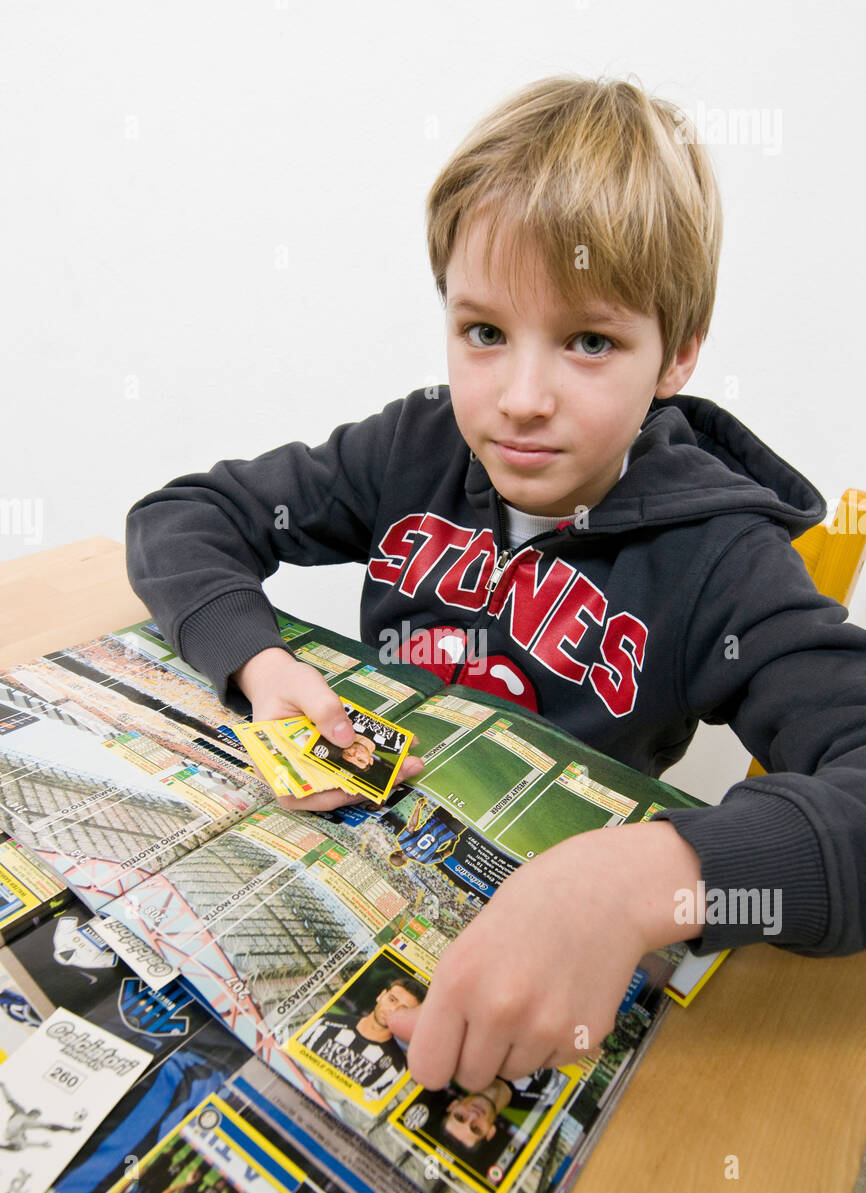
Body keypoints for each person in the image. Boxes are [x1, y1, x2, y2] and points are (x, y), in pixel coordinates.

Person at [125, 75, 866, 1098]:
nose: (518, 400)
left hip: (543, 952)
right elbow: (183, 516)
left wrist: (641, 884)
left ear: (676, 355)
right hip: (338, 863)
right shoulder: (413, 446)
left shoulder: (721, 558)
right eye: (482, 332)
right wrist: (258, 662)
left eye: (589, 341)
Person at [297, 974, 426, 1101]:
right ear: (381, 996)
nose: (393, 1009)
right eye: (392, 999)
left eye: (404, 1009)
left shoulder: (396, 1067)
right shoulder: (325, 1022)